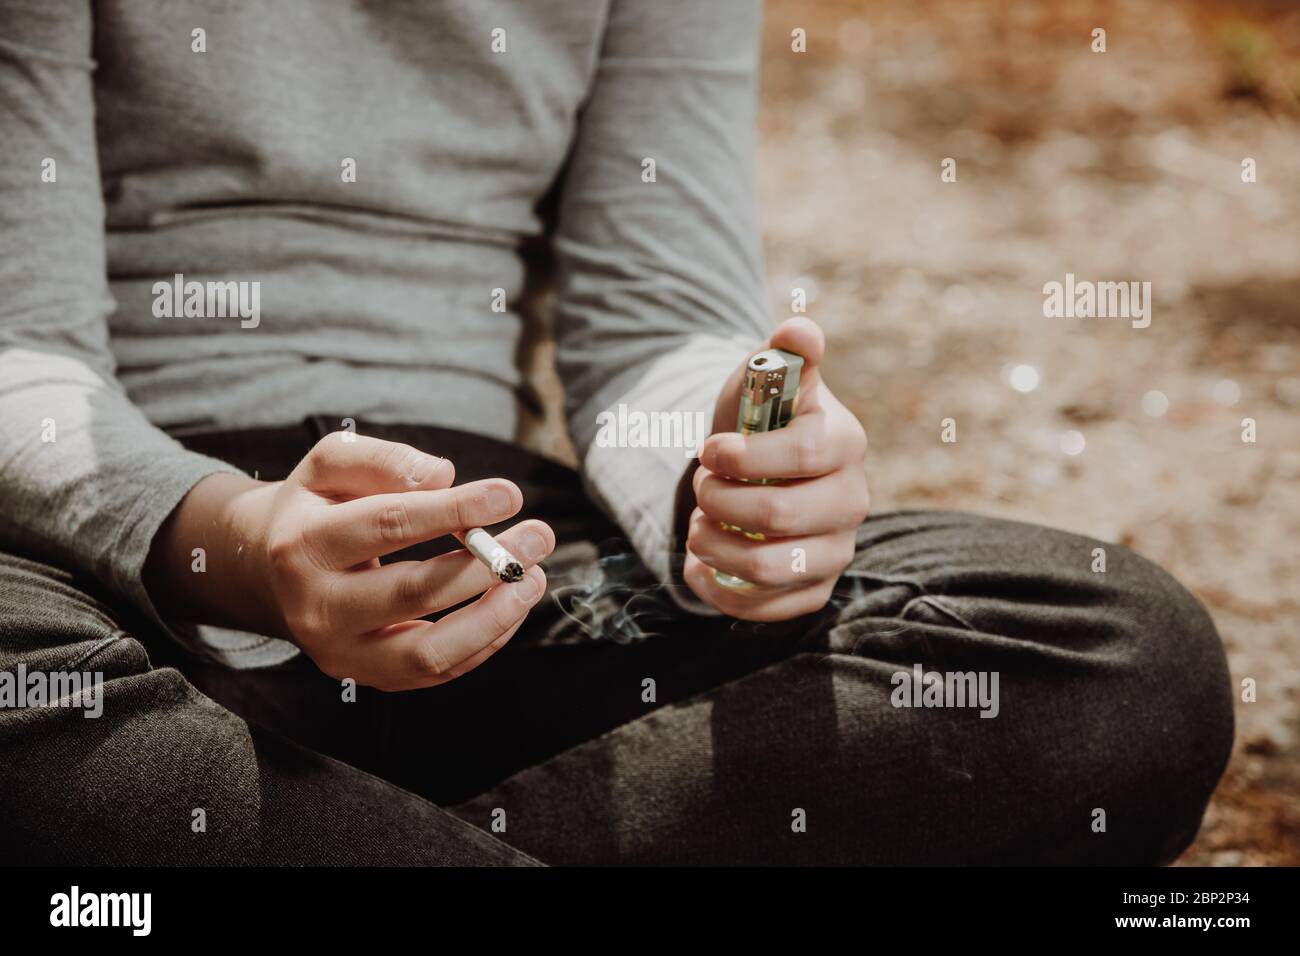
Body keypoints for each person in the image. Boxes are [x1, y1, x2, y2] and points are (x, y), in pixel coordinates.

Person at [0, 0, 1232, 865]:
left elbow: (653, 318)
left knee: (1117, 654)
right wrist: (240, 546)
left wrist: (719, 486)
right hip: (134, 576)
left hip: (504, 574)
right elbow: (23, 353)